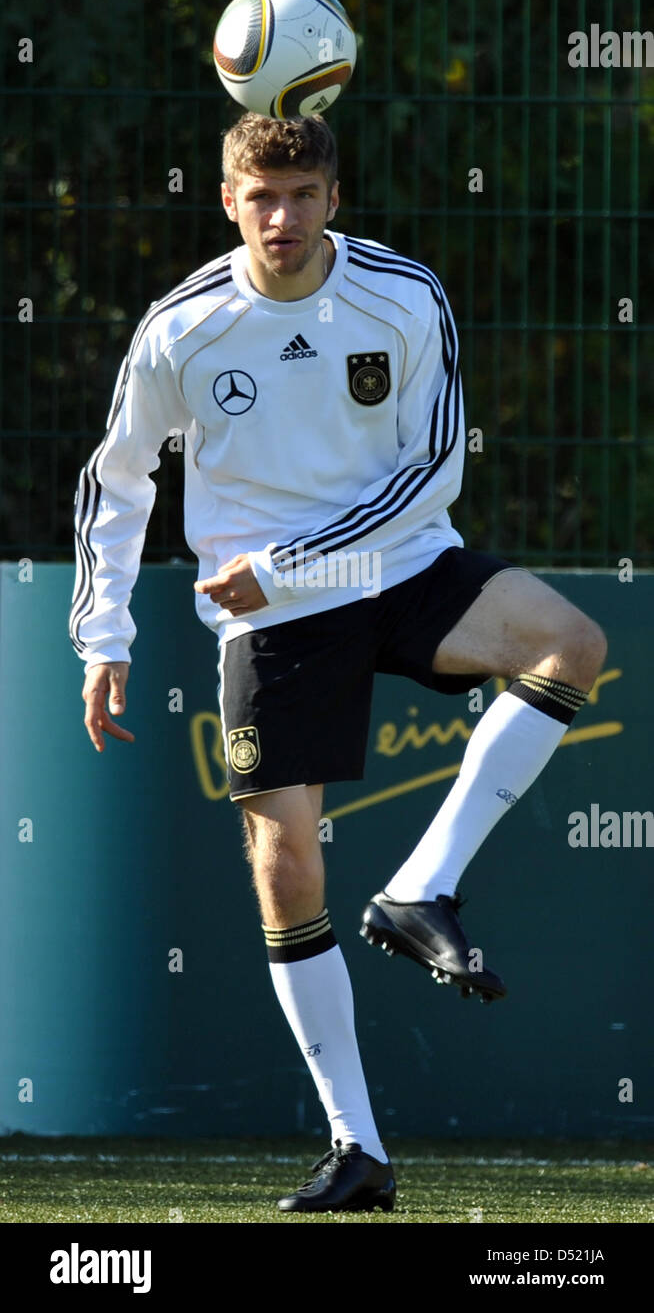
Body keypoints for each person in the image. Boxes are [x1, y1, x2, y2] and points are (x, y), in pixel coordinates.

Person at [70, 112, 607, 1215]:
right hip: (268, 621)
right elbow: (117, 482)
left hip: (402, 563)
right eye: (260, 197)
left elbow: (436, 471)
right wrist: (105, 638)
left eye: (303, 194)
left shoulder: (403, 296)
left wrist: (297, 562)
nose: (282, 216)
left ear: (333, 197)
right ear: (225, 200)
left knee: (571, 642)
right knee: (286, 869)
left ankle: (419, 887)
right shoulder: (183, 329)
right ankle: (358, 1148)